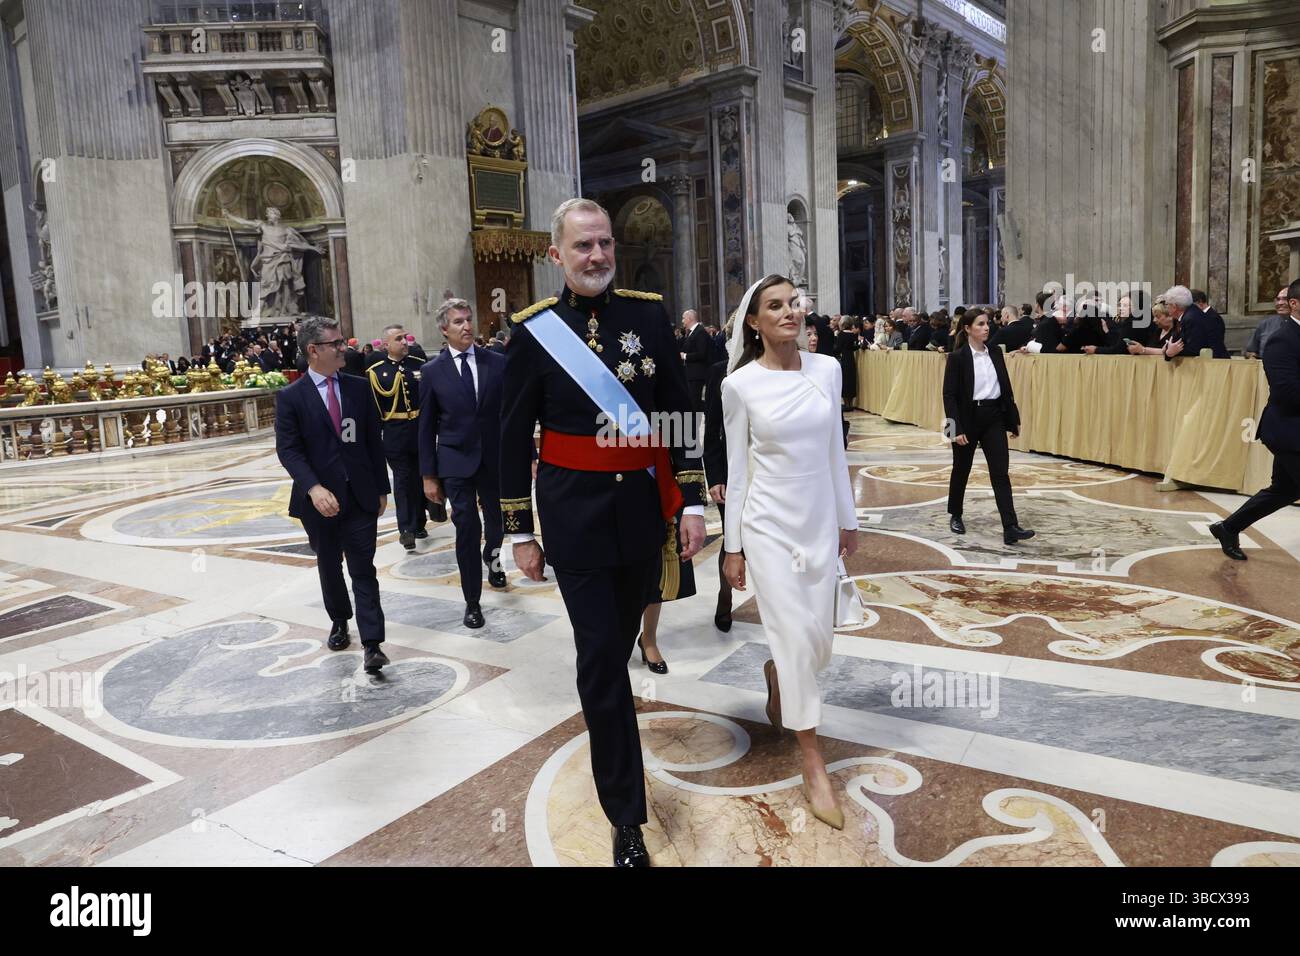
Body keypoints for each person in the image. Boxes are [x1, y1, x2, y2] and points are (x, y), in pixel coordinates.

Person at [499, 198, 706, 867]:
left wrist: (693, 502)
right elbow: (507, 439)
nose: (596, 257)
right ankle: (626, 817)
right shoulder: (534, 331)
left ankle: (613, 750)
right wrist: (517, 531)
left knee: (614, 654)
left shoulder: (646, 315)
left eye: (605, 244)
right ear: (556, 255)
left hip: (640, 513)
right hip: (574, 519)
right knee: (598, 661)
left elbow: (677, 410)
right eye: (582, 246)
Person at [720, 273, 859, 831]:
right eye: (773, 306)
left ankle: (780, 673)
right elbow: (737, 471)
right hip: (768, 526)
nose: (789, 313)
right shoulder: (741, 386)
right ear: (753, 322)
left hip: (819, 521)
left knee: (816, 642)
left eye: (793, 303)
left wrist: (847, 518)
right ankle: (812, 760)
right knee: (798, 638)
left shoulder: (827, 369)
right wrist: (733, 547)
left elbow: (835, 452)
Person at [275, 316, 391, 674]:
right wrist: (313, 487)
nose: (345, 348)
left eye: (342, 342)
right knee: (329, 564)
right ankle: (339, 619)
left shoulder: (358, 388)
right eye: (336, 343)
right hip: (318, 501)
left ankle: (373, 643)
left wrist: (382, 488)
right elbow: (289, 450)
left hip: (359, 495)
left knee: (363, 568)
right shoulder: (291, 397)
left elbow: (372, 439)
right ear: (313, 351)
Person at [418, 299, 508, 628]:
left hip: (494, 458)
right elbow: (425, 428)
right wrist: (428, 475)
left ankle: (494, 561)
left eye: (469, 320)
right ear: (444, 330)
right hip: (455, 461)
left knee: (497, 524)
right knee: (467, 527)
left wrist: (528, 455)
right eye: (458, 322)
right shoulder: (431, 372)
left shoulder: (497, 363)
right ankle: (472, 600)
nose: (466, 326)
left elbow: (512, 416)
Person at [1210, 278, 1300, 560]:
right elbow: (1287, 392)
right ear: (1295, 304)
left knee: (1284, 490)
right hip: (1288, 430)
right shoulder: (1281, 339)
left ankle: (1228, 527)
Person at [943, 310, 1035, 546]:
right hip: (967, 418)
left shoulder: (995, 352)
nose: (986, 328)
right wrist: (954, 429)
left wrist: (1012, 420)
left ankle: (1010, 526)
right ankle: (956, 514)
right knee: (961, 468)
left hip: (993, 417)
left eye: (987, 324)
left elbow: (1006, 388)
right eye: (980, 324)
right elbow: (949, 395)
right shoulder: (957, 357)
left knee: (1000, 472)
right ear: (967, 328)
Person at [367, 324, 428, 551]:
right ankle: (407, 529)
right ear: (386, 345)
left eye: (405, 338)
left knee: (423, 475)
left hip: (420, 430)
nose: (404, 342)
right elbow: (375, 411)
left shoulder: (419, 365)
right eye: (399, 339)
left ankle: (420, 522)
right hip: (395, 433)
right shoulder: (376, 373)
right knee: (403, 481)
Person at [702, 352, 732, 632]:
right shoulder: (720, 371)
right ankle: (725, 596)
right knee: (732, 536)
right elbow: (711, 430)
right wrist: (715, 476)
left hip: (772, 472)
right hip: (730, 467)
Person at [1163, 285, 1227, 359]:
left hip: (1215, 364)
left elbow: (1193, 349)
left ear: (1174, 306)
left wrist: (1169, 352)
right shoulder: (1188, 315)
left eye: (1166, 304)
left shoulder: (1191, 318)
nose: (1166, 307)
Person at [1244, 288, 1292, 360]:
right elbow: (1249, 351)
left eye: (1285, 299)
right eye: (1278, 299)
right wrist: (1252, 357)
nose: (1280, 303)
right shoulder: (1265, 324)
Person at [680, 309, 712, 411]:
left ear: (690, 318)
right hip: (692, 373)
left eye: (684, 318)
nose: (682, 321)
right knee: (692, 402)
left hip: (697, 374)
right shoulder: (693, 332)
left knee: (695, 402)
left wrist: (685, 356)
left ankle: (695, 424)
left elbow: (701, 354)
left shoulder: (700, 332)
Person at [1192, 290, 1229, 358]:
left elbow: (1216, 343)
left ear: (1200, 302)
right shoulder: (1200, 317)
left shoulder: (1213, 318)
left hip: (1216, 360)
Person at [835, 314, 860, 409]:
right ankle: (851, 403)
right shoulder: (853, 335)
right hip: (851, 359)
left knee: (844, 380)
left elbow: (838, 348)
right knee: (851, 379)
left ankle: (846, 404)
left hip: (843, 358)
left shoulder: (841, 334)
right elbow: (854, 347)